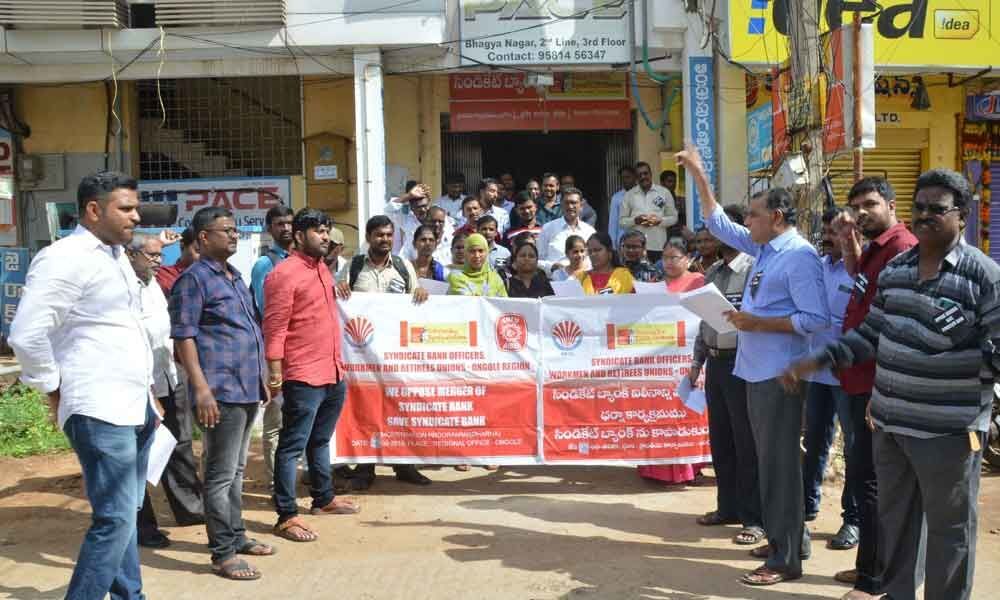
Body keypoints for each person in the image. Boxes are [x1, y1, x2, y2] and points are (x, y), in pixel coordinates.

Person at [782, 169, 997, 600]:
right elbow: (870, 332)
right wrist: (818, 360)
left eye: (937, 209)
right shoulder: (897, 268)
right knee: (897, 525)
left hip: (948, 434)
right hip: (890, 427)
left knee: (950, 534)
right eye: (919, 207)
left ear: (962, 215)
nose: (924, 216)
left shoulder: (983, 277)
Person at [677, 145, 828, 586]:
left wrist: (756, 322)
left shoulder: (797, 257)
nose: (748, 224)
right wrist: (701, 175)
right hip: (757, 371)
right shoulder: (766, 249)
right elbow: (717, 223)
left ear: (777, 217)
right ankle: (789, 541)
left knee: (778, 467)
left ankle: (784, 560)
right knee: (772, 464)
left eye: (755, 216)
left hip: (781, 375)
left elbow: (815, 320)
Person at [10, 171, 159, 599]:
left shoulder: (115, 258)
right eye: (126, 208)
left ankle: (130, 595)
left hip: (134, 405)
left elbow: (122, 330)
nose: (136, 216)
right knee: (114, 519)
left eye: (136, 207)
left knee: (126, 514)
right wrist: (53, 387)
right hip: (99, 407)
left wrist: (149, 396)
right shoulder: (66, 257)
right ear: (94, 210)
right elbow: (27, 334)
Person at [170, 206, 275, 581]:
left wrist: (261, 375)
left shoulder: (234, 276)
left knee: (237, 471)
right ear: (202, 237)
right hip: (220, 390)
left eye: (235, 231)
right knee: (218, 475)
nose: (233, 236)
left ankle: (237, 535)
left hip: (246, 386)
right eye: (226, 230)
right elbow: (183, 337)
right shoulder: (194, 280)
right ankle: (223, 553)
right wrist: (201, 389)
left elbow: (249, 330)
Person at [827, 177, 917, 598]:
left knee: (874, 483)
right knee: (864, 477)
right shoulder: (877, 247)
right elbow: (856, 276)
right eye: (856, 206)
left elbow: (899, 329)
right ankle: (869, 564)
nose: (862, 212)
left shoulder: (901, 249)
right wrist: (849, 240)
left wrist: (883, 389)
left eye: (870, 204)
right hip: (857, 377)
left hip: (875, 384)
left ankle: (875, 580)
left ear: (892, 204)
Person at [265, 209, 361, 545]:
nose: (326, 237)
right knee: (291, 447)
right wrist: (275, 374)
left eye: (327, 231)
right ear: (300, 234)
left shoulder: (323, 269)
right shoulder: (283, 274)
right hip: (303, 375)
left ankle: (323, 498)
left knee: (320, 440)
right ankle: (286, 515)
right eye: (319, 231)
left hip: (333, 371)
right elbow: (274, 327)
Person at [335, 215, 431, 488]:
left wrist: (422, 293)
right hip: (362, 355)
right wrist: (339, 288)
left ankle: (404, 466)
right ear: (368, 237)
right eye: (379, 235)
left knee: (399, 408)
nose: (385, 240)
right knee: (366, 409)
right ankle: (365, 470)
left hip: (396, 353)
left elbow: (417, 299)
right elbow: (337, 298)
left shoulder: (403, 267)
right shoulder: (354, 267)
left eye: (389, 235)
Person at [690, 206, 764, 547]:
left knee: (745, 442)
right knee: (721, 440)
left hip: (743, 363)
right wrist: (696, 362)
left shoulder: (753, 270)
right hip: (716, 364)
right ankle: (728, 507)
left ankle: (754, 518)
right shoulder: (713, 273)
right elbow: (704, 322)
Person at [127, 232, 206, 550]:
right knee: (137, 456)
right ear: (131, 256)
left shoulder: (154, 286)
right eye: (151, 256)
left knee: (180, 444)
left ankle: (190, 510)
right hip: (141, 385)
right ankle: (142, 526)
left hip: (170, 377)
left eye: (161, 255)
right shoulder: (124, 290)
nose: (159, 261)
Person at [801, 207, 859, 554]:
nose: (826, 236)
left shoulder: (860, 271)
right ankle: (807, 508)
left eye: (832, 231)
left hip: (849, 373)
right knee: (815, 442)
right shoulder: (816, 267)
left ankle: (853, 519)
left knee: (854, 449)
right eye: (823, 230)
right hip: (816, 371)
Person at [447, 232, 508, 472]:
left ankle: (488, 451)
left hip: (489, 347)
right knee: (464, 400)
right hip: (464, 347)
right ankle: (462, 452)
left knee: (488, 401)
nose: (476, 255)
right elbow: (464, 307)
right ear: (464, 253)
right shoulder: (456, 278)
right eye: (472, 250)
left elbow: (504, 308)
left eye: (481, 250)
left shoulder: (496, 279)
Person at [250, 205, 294, 492]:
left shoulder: (302, 260)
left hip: (302, 351)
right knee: (276, 415)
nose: (286, 228)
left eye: (290, 223)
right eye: (279, 224)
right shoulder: (265, 264)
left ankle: (292, 474)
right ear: (269, 229)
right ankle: (275, 478)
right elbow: (267, 310)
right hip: (277, 350)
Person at [620, 162, 678, 263]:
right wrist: (635, 220)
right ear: (636, 177)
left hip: (658, 246)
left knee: (658, 277)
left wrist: (659, 221)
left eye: (645, 173)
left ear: (651, 174)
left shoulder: (664, 193)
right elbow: (621, 221)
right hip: (636, 248)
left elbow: (674, 217)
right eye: (639, 175)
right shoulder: (629, 195)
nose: (643, 177)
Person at [537, 187, 596, 275]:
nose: (570, 206)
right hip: (555, 282)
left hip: (584, 281)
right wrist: (552, 266)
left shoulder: (589, 231)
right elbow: (538, 260)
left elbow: (594, 259)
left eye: (574, 203)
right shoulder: (548, 228)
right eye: (566, 203)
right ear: (561, 204)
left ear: (581, 205)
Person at [389, 183, 433, 255]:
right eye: (418, 207)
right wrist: (409, 195)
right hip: (410, 263)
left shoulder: (439, 220)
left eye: (425, 206)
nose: (423, 210)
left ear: (429, 203)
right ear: (412, 208)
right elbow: (389, 210)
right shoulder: (406, 220)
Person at [156, 226, 198, 296]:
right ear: (182, 246)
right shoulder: (163, 275)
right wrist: (158, 243)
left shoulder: (217, 276)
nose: (204, 256)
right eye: (198, 251)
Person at [609, 166, 637, 246]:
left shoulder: (642, 195)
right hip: (622, 242)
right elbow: (613, 223)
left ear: (635, 177)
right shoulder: (616, 197)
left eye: (628, 177)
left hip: (640, 239)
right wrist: (613, 244)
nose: (625, 180)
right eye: (623, 178)